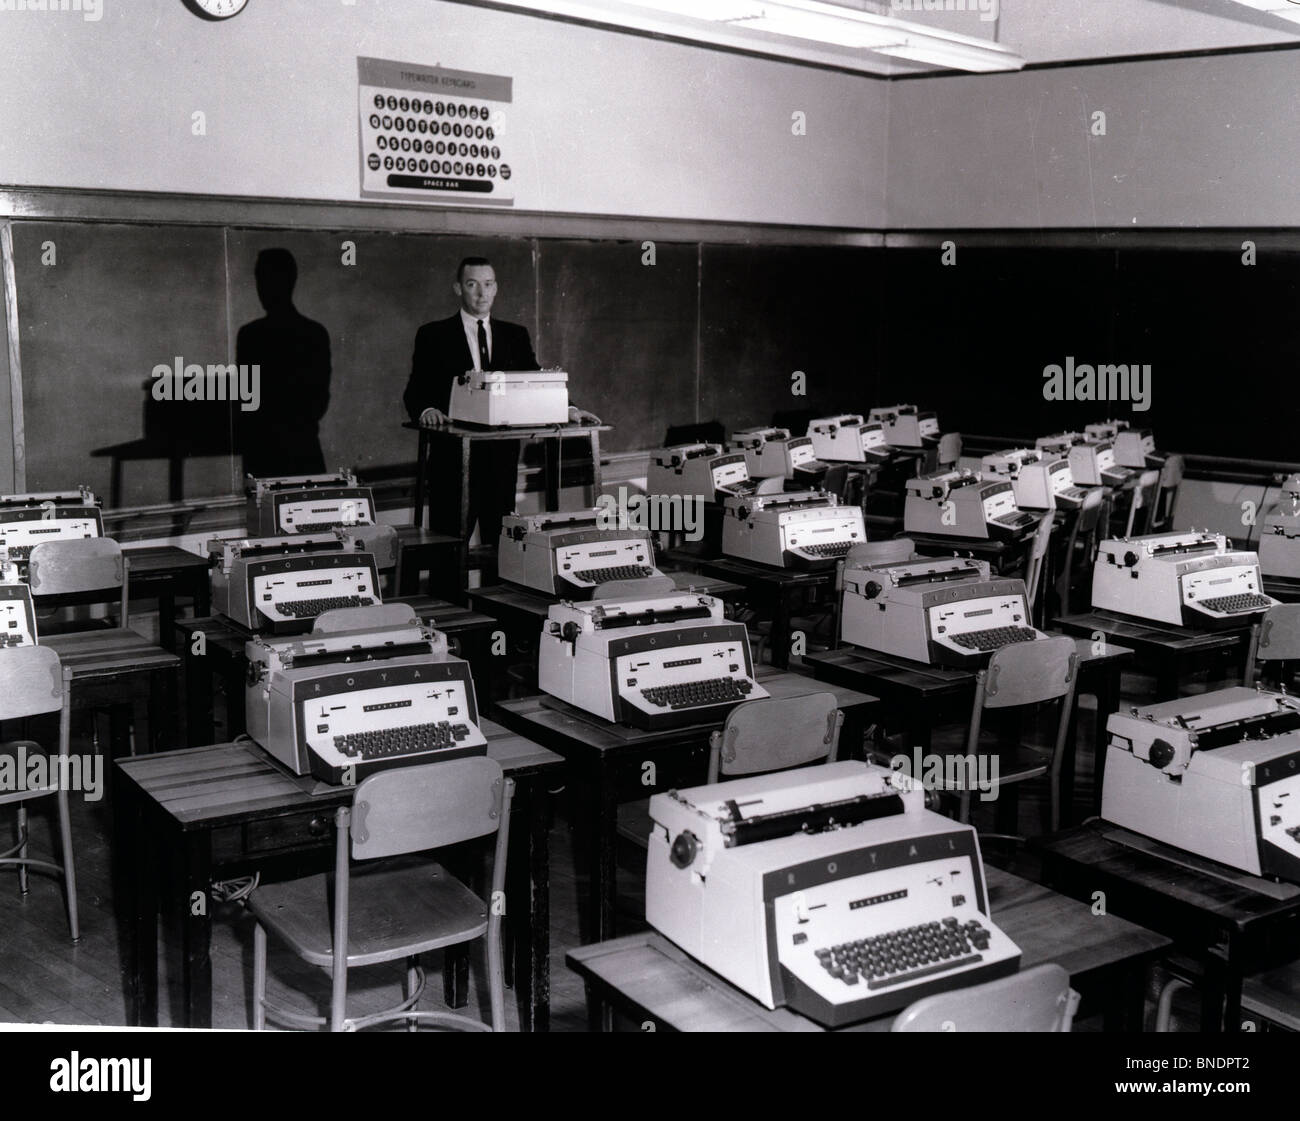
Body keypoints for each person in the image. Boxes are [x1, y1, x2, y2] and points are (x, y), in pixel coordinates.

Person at [403, 256, 599, 545]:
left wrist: (567, 408)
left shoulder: (515, 335)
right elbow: (416, 389)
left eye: (488, 284)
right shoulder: (434, 335)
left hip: (501, 463)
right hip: (453, 462)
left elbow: (534, 379)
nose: (481, 293)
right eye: (472, 284)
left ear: (496, 288)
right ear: (458, 288)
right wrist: (428, 409)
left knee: (501, 552)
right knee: (448, 552)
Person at [235, 248, 331, 477]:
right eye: (261, 280)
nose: (262, 289)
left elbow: (247, 399)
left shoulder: (251, 335)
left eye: (267, 279)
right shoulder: (314, 333)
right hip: (300, 452)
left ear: (288, 281)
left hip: (266, 454)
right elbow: (318, 401)